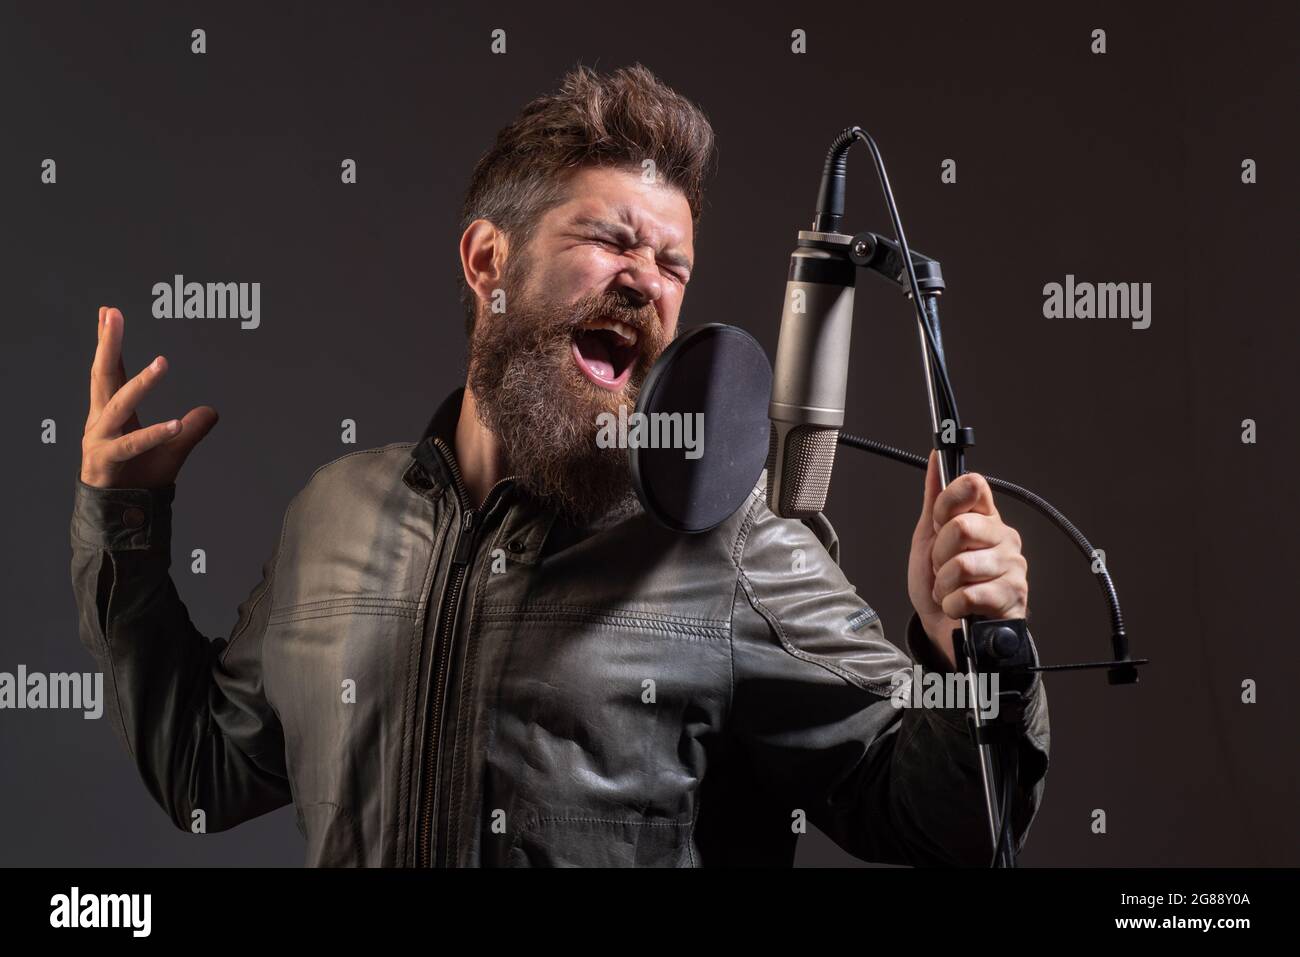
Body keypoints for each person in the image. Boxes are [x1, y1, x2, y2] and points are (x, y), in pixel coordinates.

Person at [70, 63, 1048, 867]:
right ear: (488, 263)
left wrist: (972, 652)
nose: (646, 282)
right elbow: (204, 773)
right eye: (610, 240)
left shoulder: (730, 542)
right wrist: (122, 526)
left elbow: (945, 819)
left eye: (672, 265)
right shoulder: (333, 514)